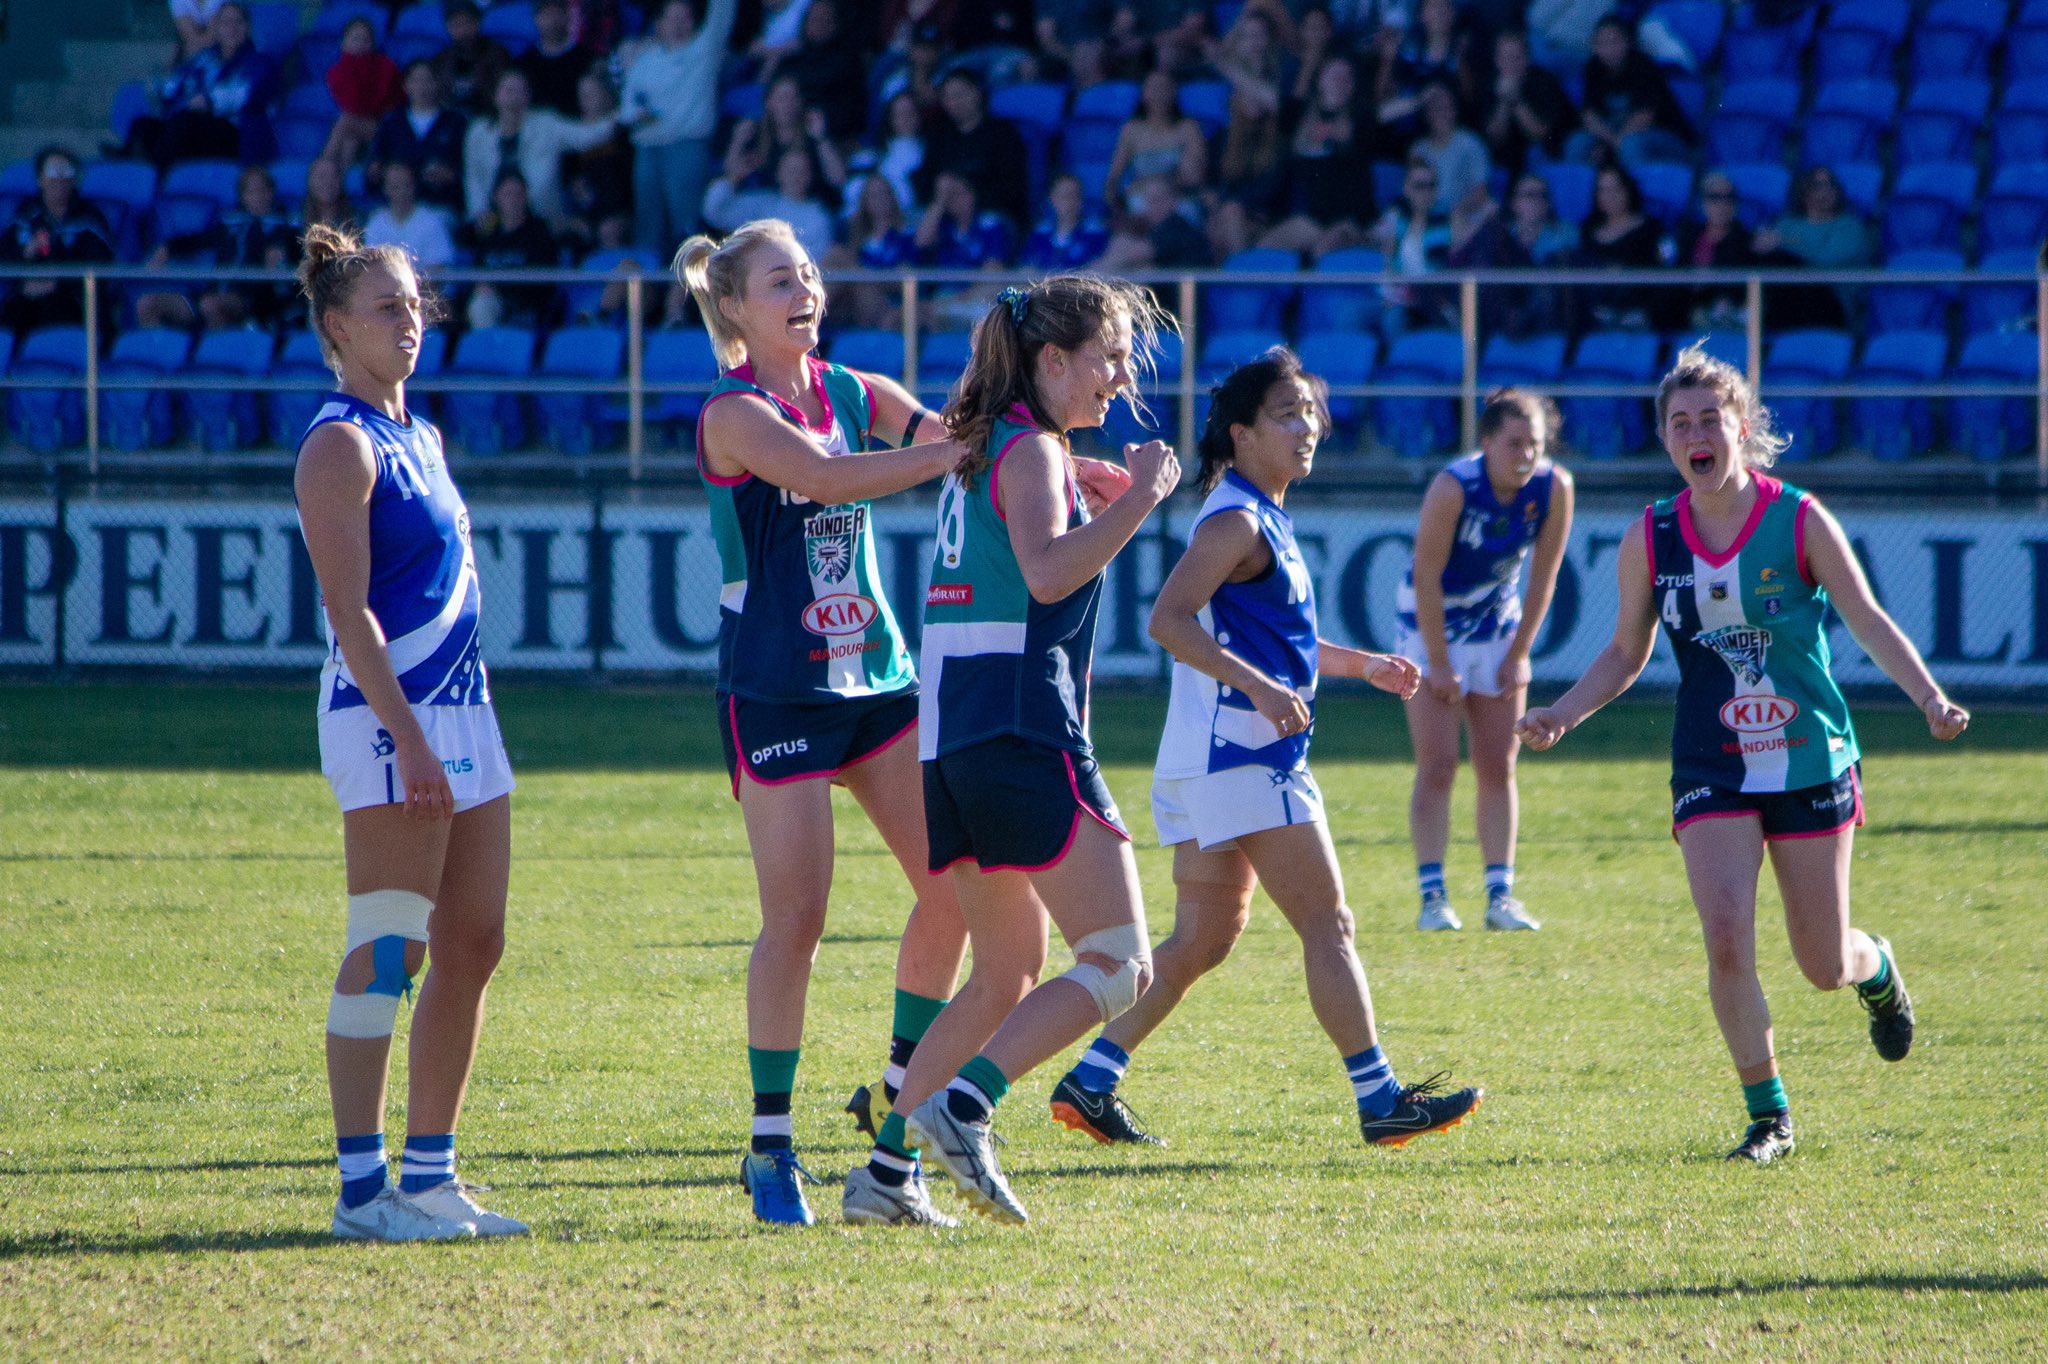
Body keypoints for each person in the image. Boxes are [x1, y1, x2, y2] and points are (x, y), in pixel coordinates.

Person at [1517, 346, 1968, 1164]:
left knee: (1822, 964)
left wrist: (1929, 698)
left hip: (1809, 759)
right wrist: (1562, 713)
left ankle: (1876, 967)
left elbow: (1864, 617)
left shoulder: (1797, 518)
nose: (1697, 434)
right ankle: (1770, 1117)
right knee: (1726, 935)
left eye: (1710, 419)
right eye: (1679, 422)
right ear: (1665, 439)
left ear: (1743, 428)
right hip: (1711, 763)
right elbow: (1625, 652)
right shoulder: (1651, 536)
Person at [1048, 347, 1485, 1153]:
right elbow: (1168, 622)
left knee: (1203, 941)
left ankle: (1093, 1078)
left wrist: (1363, 665)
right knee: (1332, 923)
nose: (1307, 425)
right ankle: (1379, 1096)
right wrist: (1257, 688)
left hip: (1209, 759)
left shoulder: (1259, 514)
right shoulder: (1237, 518)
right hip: (1243, 756)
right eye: (1287, 412)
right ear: (1242, 433)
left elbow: (1274, 641)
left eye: (1311, 410)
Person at [676, 219, 974, 1228]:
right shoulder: (734, 412)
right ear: (735, 309)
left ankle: (894, 1100)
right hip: (776, 688)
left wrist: (1051, 464)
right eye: (776, 280)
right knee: (796, 920)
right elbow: (832, 478)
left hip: (876, 682)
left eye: (806, 273)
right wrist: (959, 451)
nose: (802, 289)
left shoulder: (849, 388)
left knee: (955, 895)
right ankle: (768, 1145)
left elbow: (939, 433)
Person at [878, 275, 1181, 1226]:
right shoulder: (1035, 452)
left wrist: (1097, 502)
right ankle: (966, 1108)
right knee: (1120, 963)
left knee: (1006, 967)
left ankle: (886, 1178)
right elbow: (1050, 573)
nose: (1120, 377)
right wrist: (1140, 499)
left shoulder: (989, 450)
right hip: (1020, 728)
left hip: (958, 738)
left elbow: (1031, 568)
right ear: (1051, 361)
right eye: (1109, 358)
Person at [291, 222, 525, 1242]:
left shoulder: (418, 436)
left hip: (463, 710)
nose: (410, 320)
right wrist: (412, 738)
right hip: (391, 717)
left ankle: (429, 1177)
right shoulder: (336, 443)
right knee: (388, 943)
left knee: (473, 940)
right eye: (388, 307)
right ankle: (359, 1190)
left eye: (417, 304)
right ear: (338, 326)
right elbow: (351, 613)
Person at [1396, 388, 1574, 932]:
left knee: (1499, 764)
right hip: (1432, 628)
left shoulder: (1553, 487)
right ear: (1487, 442)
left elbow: (1544, 576)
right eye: (1514, 443)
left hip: (1497, 627)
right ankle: (1434, 899)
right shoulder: (1453, 487)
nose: (1526, 455)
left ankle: (1501, 897)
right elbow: (1426, 577)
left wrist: (1518, 653)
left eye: (1535, 445)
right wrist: (1440, 664)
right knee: (1440, 764)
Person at [622, 0, 739, 257]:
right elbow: (628, 105)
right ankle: (644, 293)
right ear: (659, 23)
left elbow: (723, 11)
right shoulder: (644, 59)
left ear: (693, 21)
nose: (677, 23)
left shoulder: (705, 49)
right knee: (647, 229)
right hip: (647, 149)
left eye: (684, 17)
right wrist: (637, 114)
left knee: (688, 229)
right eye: (671, 17)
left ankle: (690, 290)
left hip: (686, 147)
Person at [135, 162, 298, 331]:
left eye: (263, 190)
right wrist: (167, 248)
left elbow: (292, 256)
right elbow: (198, 240)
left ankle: (216, 354)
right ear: (242, 196)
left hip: (251, 301)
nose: (258, 196)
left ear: (272, 192)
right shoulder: (229, 224)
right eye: (251, 191)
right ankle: (157, 354)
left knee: (211, 305)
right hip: (210, 293)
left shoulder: (284, 226)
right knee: (147, 304)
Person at [463, 70, 622, 228]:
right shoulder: (478, 132)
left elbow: (585, 136)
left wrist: (623, 116)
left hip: (542, 219)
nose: (514, 98)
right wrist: (478, 212)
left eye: (520, 91)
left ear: (528, 96)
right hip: (494, 220)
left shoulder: (546, 123)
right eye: (508, 91)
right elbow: (473, 177)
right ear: (496, 96)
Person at [130, 2, 279, 166]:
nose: (232, 28)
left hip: (236, 134)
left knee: (183, 123)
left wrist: (208, 101)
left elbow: (244, 94)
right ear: (217, 29)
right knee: (145, 126)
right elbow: (178, 83)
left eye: (237, 22)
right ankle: (133, 171)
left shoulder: (261, 63)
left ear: (247, 27)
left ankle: (163, 179)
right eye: (225, 23)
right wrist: (162, 89)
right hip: (198, 128)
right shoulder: (205, 59)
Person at [0, 147, 117, 338]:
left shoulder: (90, 218)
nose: (59, 180)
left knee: (54, 311)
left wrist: (55, 283)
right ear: (40, 179)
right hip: (27, 295)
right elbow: (5, 257)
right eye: (53, 172)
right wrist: (26, 253)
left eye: (66, 173)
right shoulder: (25, 216)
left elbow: (100, 264)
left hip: (74, 300)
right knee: (14, 312)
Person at [1567, 14, 1692, 169]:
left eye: (1614, 41)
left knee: (1631, 145)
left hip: (1665, 138)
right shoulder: (1592, 69)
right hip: (1617, 140)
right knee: (1578, 142)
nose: (1609, 49)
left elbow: (1644, 117)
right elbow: (1589, 115)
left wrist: (1612, 148)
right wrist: (1611, 143)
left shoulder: (1644, 66)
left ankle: (1633, 192)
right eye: (1602, 43)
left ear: (1628, 42)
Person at [454, 168, 558, 327]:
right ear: (496, 197)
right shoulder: (489, 232)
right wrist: (475, 226)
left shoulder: (539, 231)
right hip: (488, 298)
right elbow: (461, 241)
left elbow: (541, 280)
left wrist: (498, 291)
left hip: (524, 306)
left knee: (482, 305)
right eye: (507, 194)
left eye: (518, 194)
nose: (513, 200)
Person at [369, 62, 469, 215]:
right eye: (416, 80)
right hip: (396, 209)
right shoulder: (392, 123)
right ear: (406, 85)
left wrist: (451, 174)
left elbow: (468, 167)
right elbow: (376, 168)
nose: (422, 86)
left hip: (440, 205)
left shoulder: (456, 122)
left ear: (437, 83)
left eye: (427, 80)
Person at [1104, 69, 1209, 206]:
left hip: (1179, 199)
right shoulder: (1131, 130)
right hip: (1140, 201)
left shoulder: (1189, 128)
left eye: (1164, 88)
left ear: (1174, 93)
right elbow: (1113, 177)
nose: (1159, 94)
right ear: (1143, 93)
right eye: (1153, 88)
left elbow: (1194, 177)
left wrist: (1149, 183)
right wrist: (1115, 204)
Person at [324, 17, 404, 170]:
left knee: (345, 120)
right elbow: (351, 103)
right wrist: (352, 64)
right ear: (344, 43)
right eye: (354, 38)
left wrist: (359, 64)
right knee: (349, 142)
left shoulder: (386, 67)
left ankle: (323, 165)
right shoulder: (337, 72)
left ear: (372, 43)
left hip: (385, 127)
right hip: (357, 125)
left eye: (365, 39)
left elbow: (368, 106)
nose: (360, 43)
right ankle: (342, 179)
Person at [364, 161, 457, 273]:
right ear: (385, 189)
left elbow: (438, 268)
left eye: (406, 185)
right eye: (395, 186)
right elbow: (370, 268)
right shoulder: (376, 223)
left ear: (414, 186)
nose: (401, 192)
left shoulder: (431, 222)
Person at [432, 0, 512, 118]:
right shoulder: (442, 59)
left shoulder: (497, 54)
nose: (463, 31)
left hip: (488, 117)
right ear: (448, 28)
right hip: (450, 120)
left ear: (478, 23)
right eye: (457, 25)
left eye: (467, 23)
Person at [515, 0, 595, 117]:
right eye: (547, 15)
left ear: (567, 17)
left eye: (557, 14)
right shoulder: (524, 63)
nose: (552, 21)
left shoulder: (587, 59)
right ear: (536, 19)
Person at [1020, 173, 1111, 271]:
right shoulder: (1039, 235)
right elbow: (1025, 268)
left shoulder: (1097, 234)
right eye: (1063, 196)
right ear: (1052, 199)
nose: (1069, 201)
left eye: (1074, 195)